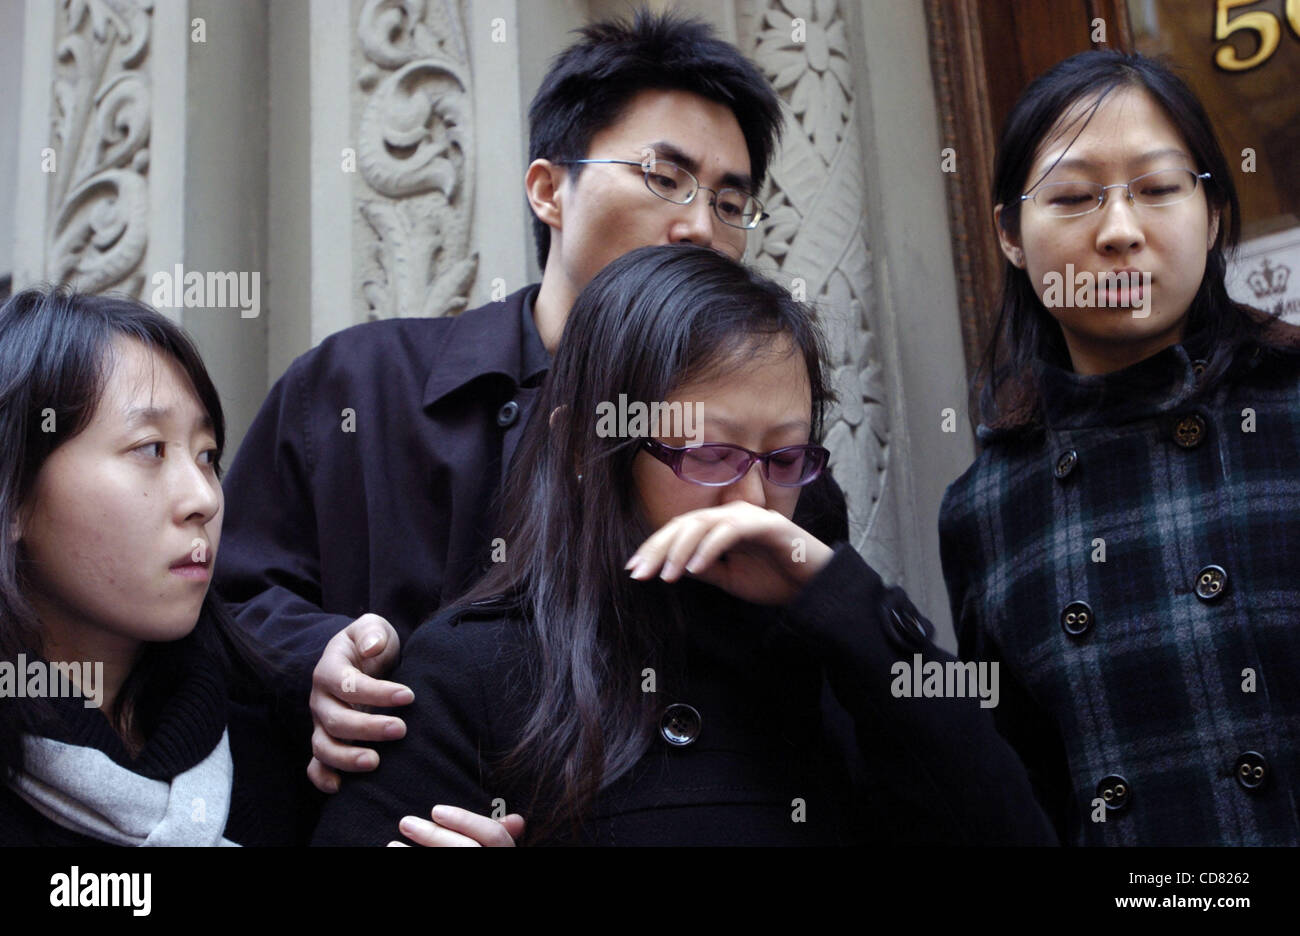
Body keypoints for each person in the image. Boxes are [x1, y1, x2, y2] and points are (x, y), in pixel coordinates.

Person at [214, 8, 848, 826]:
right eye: (664, 177)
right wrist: (316, 661)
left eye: (732, 202)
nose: (701, 226)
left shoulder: (762, 465)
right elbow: (224, 592)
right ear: (550, 190)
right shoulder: (355, 386)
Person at [311, 245, 1055, 846]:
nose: (755, 502)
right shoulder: (467, 674)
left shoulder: (839, 663)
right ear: (586, 445)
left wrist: (848, 605)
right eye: (709, 454)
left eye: (786, 458)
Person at [939, 50, 1300, 846]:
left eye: (1160, 188)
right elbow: (1024, 797)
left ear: (1210, 215)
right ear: (1009, 234)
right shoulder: (985, 508)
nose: (1120, 231)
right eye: (1072, 197)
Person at [0, 286, 322, 846]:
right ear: (16, 498)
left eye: (207, 455)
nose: (204, 498)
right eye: (150, 448)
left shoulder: (283, 749)